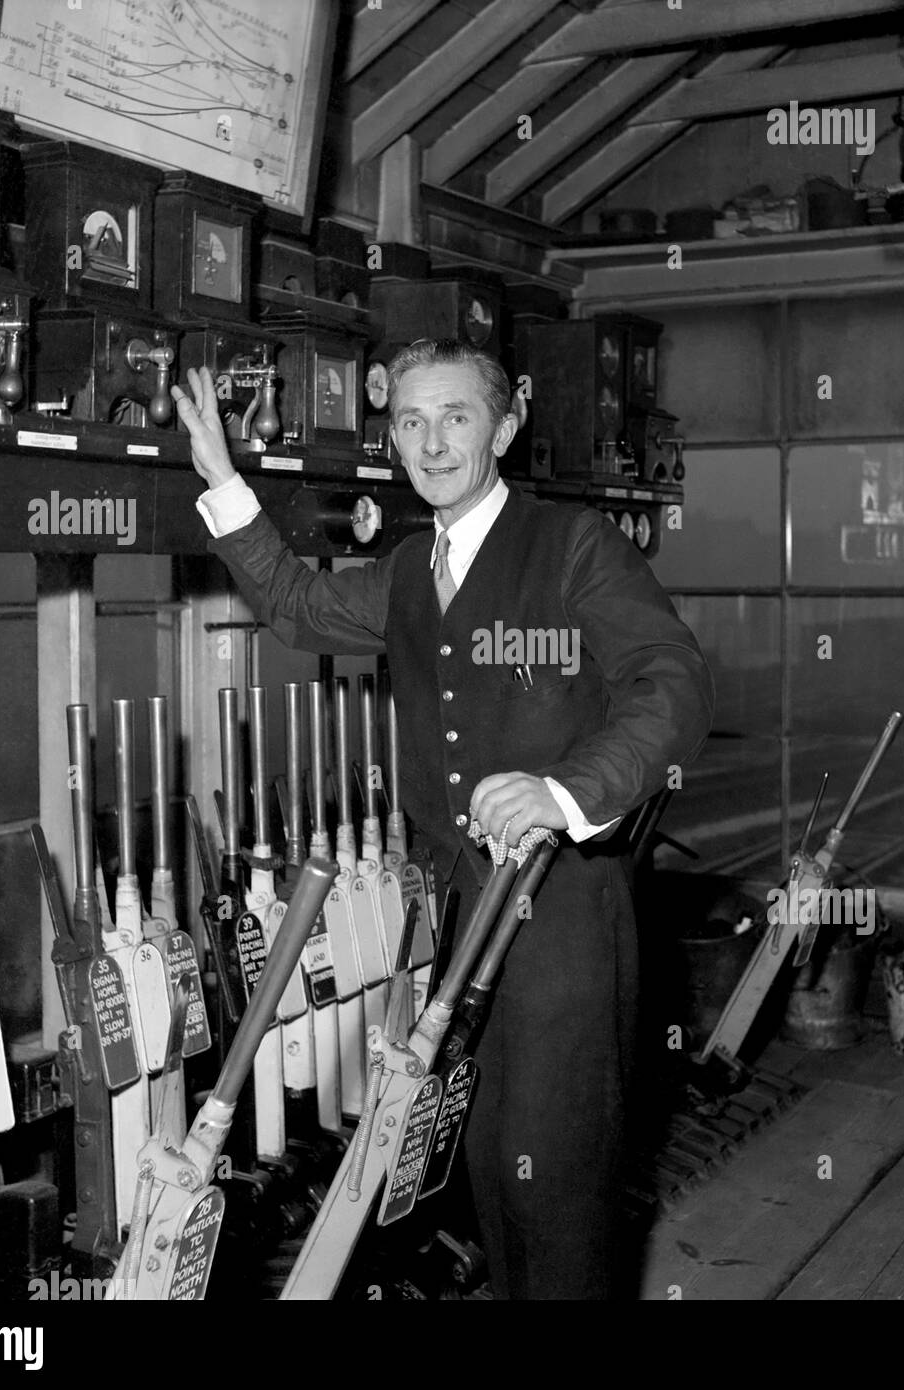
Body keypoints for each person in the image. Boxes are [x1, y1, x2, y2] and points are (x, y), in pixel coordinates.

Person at [174, 339, 714, 1299]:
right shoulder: (408, 568)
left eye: (455, 417)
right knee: (489, 1175)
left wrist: (564, 789)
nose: (430, 442)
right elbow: (296, 607)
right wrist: (223, 480)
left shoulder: (573, 546)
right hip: (463, 908)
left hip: (566, 919)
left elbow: (672, 683)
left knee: (558, 1184)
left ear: (504, 428)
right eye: (411, 422)